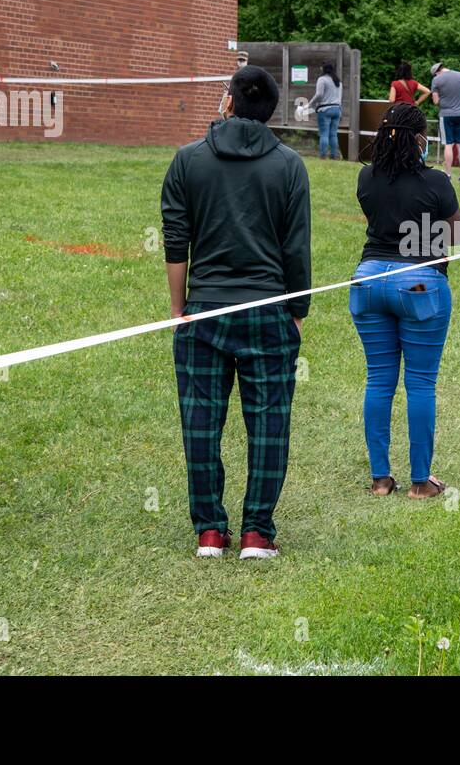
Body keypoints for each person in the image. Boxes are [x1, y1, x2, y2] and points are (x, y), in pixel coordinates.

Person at [161, 64, 311, 559]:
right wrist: (297, 311)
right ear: (270, 111)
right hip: (269, 310)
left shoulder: (187, 160)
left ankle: (210, 530)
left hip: (205, 309)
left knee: (200, 421)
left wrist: (180, 309)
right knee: (269, 422)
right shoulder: (290, 165)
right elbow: (297, 248)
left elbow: (175, 242)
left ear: (228, 101)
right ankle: (256, 533)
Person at [350, 103, 460, 499]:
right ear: (418, 139)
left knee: (378, 379)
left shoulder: (366, 177)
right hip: (419, 283)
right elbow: (456, 235)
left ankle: (381, 479)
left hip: (367, 281)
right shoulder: (436, 181)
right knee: (420, 384)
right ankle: (420, 481)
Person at [430, 61, 460, 176]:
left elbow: (436, 101)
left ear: (436, 72)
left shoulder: (436, 80)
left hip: (446, 115)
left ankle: (448, 173)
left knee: (448, 144)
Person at [308, 61, 343, 159]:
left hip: (325, 109)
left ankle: (323, 156)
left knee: (324, 134)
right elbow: (339, 98)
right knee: (333, 134)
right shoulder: (338, 81)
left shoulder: (322, 79)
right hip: (337, 109)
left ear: (324, 69)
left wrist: (310, 104)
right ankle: (334, 155)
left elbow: (319, 94)